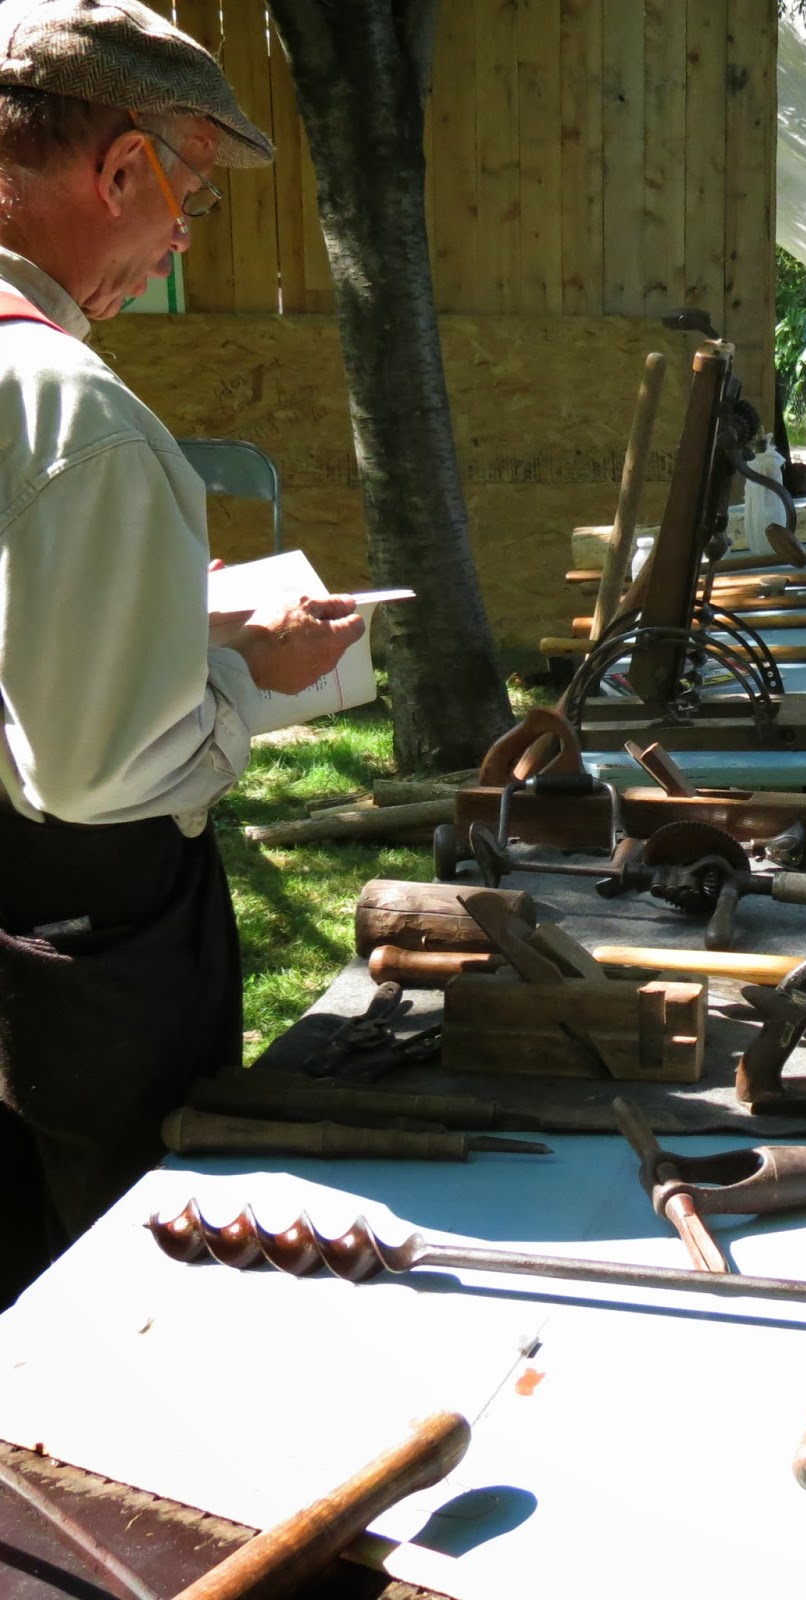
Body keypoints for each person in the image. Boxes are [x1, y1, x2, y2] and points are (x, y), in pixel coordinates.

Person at [0, 0, 366, 1308]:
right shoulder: (72, 414)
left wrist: (168, 608)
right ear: (117, 171)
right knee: (120, 1302)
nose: (175, 243)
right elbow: (98, 772)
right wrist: (241, 679)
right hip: (88, 952)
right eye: (188, 201)